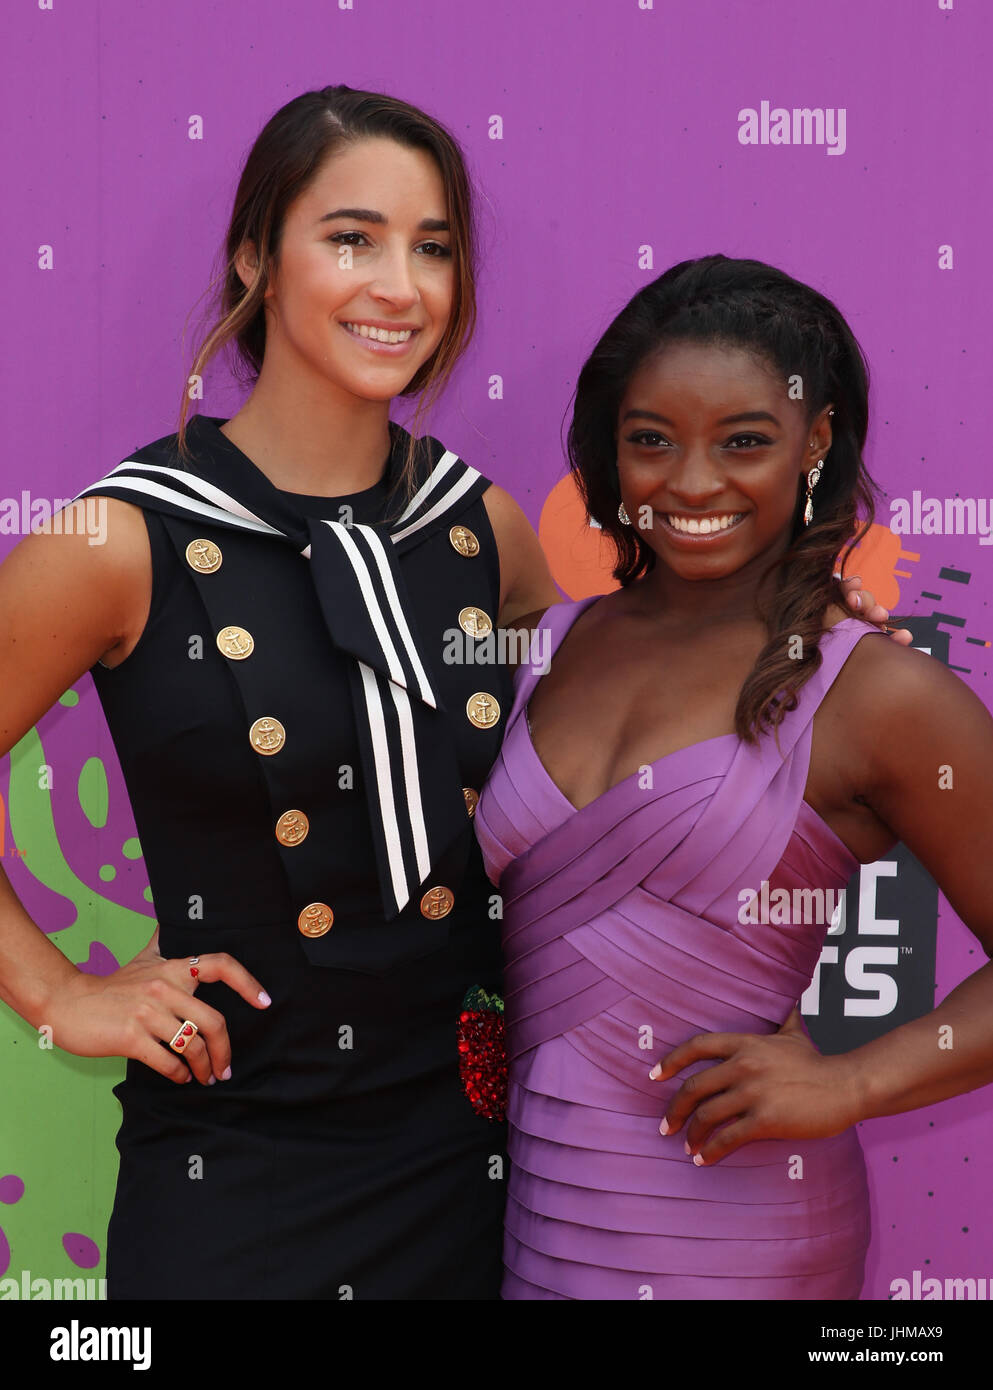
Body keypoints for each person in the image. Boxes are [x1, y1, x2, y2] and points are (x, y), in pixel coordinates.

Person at [0, 90, 895, 1300]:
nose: (401, 285)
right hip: (235, 1149)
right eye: (352, 238)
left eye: (433, 247)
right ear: (257, 258)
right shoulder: (122, 538)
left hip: (473, 1161)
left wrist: (819, 642)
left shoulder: (481, 530)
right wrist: (55, 991)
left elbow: (628, 728)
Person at [475, 253, 993, 1300]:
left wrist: (853, 1079)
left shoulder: (878, 693)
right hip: (534, 1224)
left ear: (818, 439)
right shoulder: (543, 643)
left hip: (742, 1244)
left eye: (744, 441)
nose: (694, 482)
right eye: (650, 441)